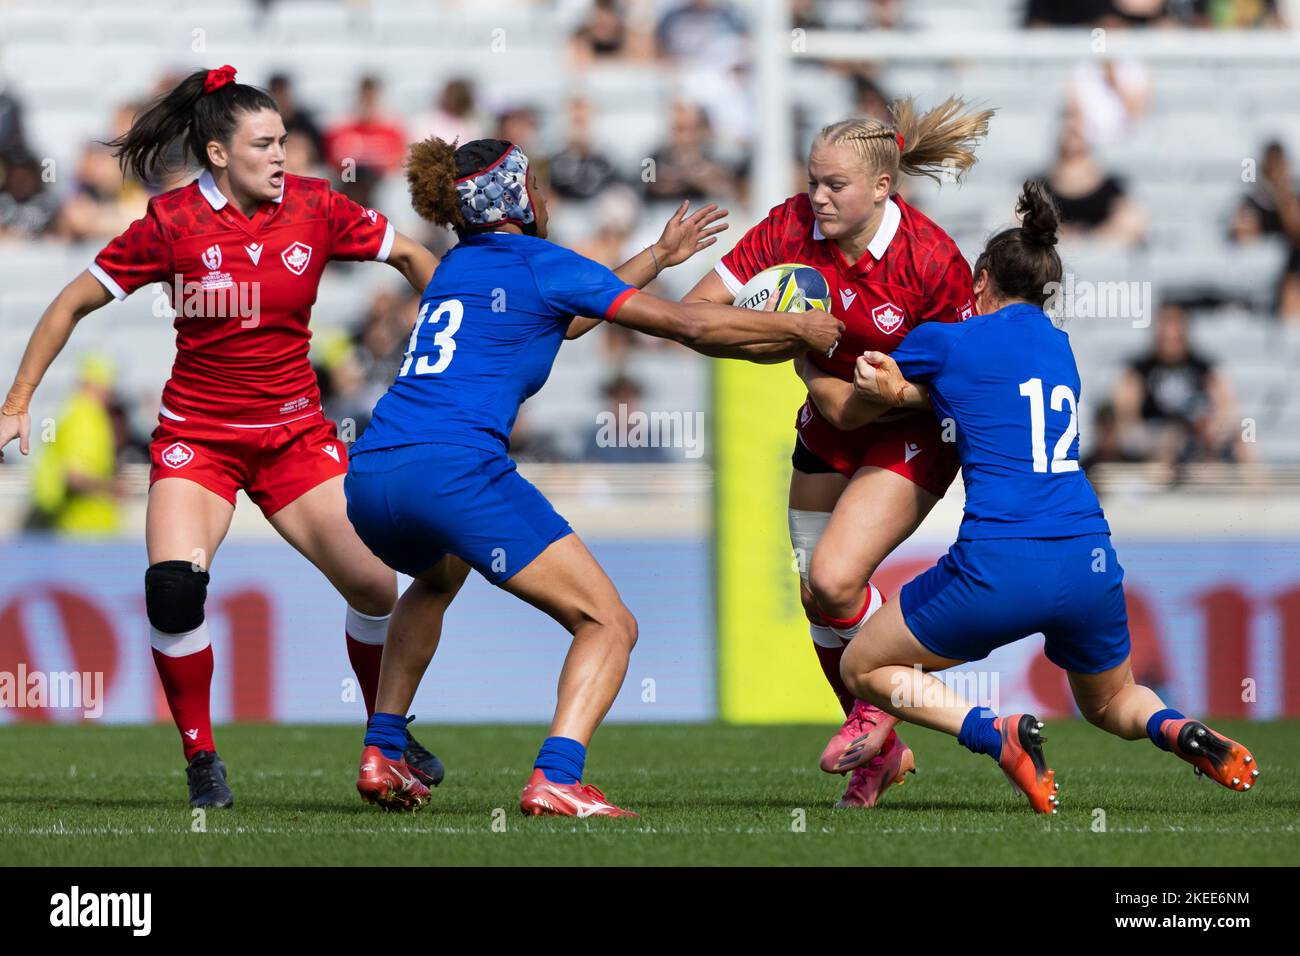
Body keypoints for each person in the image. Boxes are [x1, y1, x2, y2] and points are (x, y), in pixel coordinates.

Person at [347, 137, 841, 816]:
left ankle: (383, 749)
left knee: (436, 578)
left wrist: (659, 258)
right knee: (609, 623)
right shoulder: (541, 262)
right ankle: (557, 774)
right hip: (454, 470)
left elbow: (568, 322)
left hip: (374, 471)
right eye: (538, 187)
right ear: (517, 198)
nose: (547, 198)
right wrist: (791, 327)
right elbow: (681, 324)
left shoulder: (459, 268)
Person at [0, 66, 444, 809]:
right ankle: (202, 758)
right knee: (174, 592)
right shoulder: (171, 223)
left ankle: (386, 734)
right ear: (217, 154)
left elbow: (408, 256)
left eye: (284, 142)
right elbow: (72, 300)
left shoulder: (315, 206)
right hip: (198, 441)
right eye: (265, 144)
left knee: (375, 584)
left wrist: (456, 343)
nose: (282, 156)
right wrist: (18, 400)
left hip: (295, 437)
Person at [828, 181, 1258, 812]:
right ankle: (1180, 729)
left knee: (865, 666)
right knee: (1114, 702)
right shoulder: (1060, 350)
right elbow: (983, 398)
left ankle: (994, 732)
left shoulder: (948, 339)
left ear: (979, 282)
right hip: (1088, 556)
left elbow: (873, 384)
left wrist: (869, 380)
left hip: (1000, 560)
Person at [682, 95, 992, 808]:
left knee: (835, 572)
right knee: (818, 592)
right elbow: (697, 317)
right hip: (830, 422)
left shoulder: (932, 259)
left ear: (883, 188)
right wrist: (794, 337)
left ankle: (881, 706)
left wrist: (886, 396)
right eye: (813, 180)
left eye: (835, 186)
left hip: (913, 427)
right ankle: (878, 751)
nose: (816, 197)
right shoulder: (790, 222)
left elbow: (967, 383)